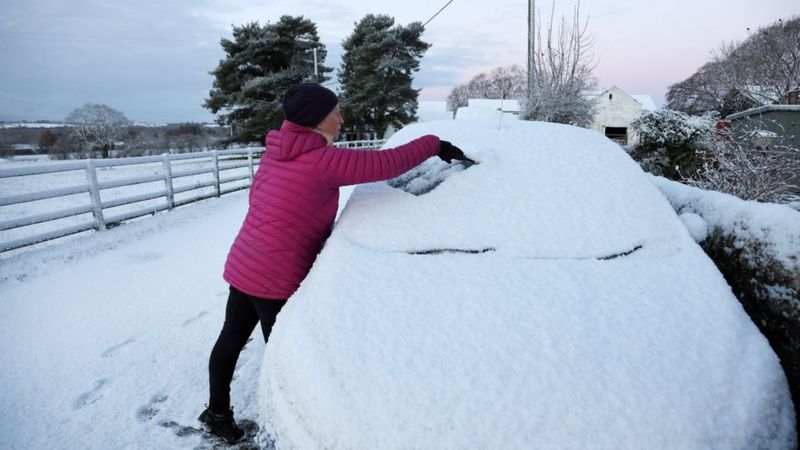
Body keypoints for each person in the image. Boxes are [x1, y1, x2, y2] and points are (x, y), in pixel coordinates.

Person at [197, 82, 470, 444]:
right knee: (285, 356)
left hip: (245, 264)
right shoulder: (322, 162)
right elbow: (385, 164)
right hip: (276, 277)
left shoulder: (276, 151)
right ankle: (291, 427)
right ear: (315, 119)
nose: (341, 118)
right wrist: (434, 144)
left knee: (230, 339)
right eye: (335, 112)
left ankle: (216, 413)